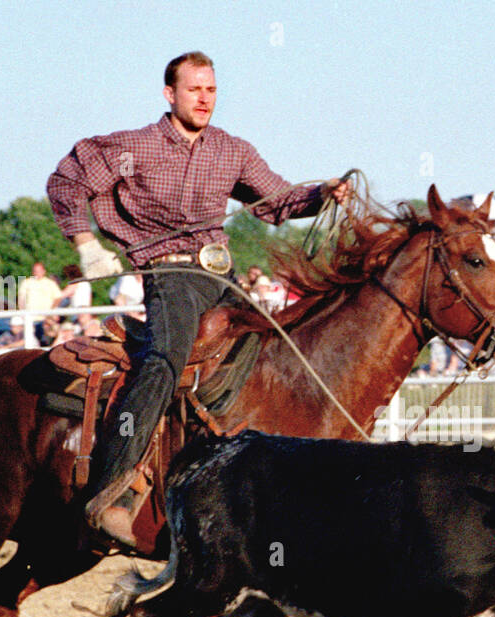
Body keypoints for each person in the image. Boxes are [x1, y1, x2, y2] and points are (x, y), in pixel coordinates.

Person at [47, 50, 349, 546]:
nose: (204, 98)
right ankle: (113, 494)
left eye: (211, 89)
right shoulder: (132, 148)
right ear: (170, 94)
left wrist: (322, 194)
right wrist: (85, 243)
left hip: (223, 278)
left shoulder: (232, 151)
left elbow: (276, 200)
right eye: (194, 89)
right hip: (170, 278)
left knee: (280, 353)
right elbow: (67, 181)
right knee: (164, 362)